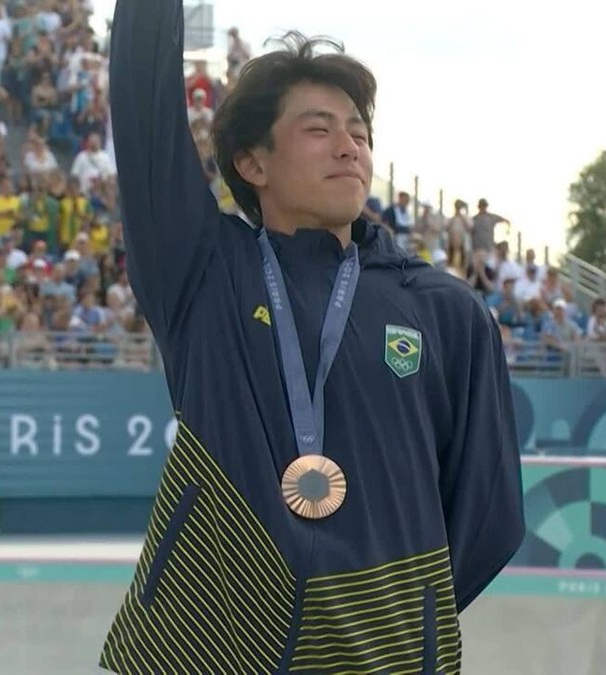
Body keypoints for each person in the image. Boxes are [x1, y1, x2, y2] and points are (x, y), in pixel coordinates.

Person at [99, 1, 525, 672]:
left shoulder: (446, 311)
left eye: (359, 131)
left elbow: (488, 512)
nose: (349, 145)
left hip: (381, 656)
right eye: (318, 128)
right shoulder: (205, 274)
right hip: (205, 655)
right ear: (253, 163)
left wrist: (393, 606)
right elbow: (142, 103)